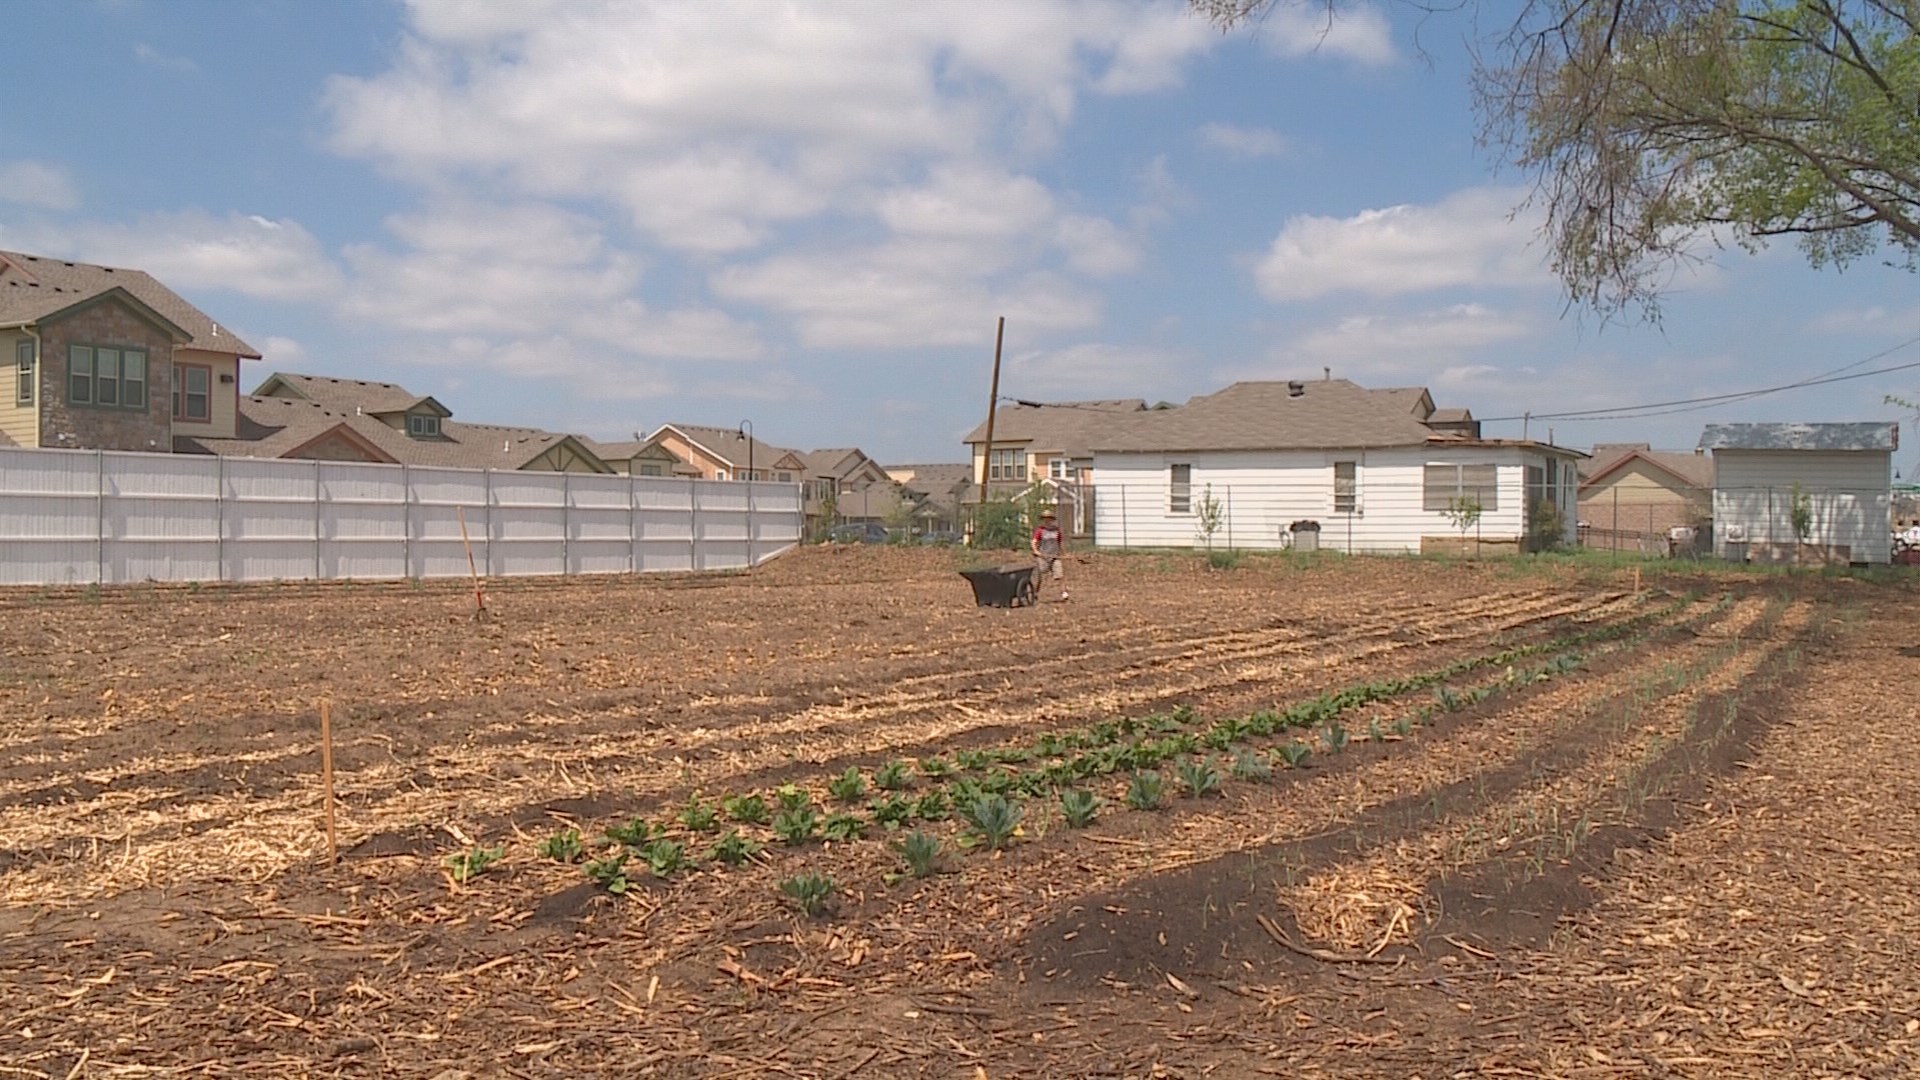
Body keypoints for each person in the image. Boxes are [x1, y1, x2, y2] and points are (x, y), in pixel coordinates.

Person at [1031, 507, 1068, 602]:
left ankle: (1064, 593)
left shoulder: (1056, 530)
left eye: (1049, 518)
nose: (1047, 521)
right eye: (1045, 519)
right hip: (1043, 556)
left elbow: (1060, 542)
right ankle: (1035, 593)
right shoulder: (1040, 530)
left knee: (1060, 575)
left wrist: (1064, 553)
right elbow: (1034, 541)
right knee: (1039, 576)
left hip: (1055, 556)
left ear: (1052, 520)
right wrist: (1036, 551)